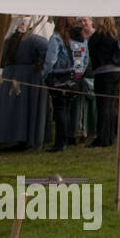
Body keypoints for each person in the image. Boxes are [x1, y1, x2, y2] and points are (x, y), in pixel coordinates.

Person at [0, 18, 50, 151]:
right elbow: (49, 52)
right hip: (29, 78)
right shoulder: (35, 40)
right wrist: (39, 66)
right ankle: (24, 139)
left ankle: (8, 138)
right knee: (24, 109)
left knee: (11, 109)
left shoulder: (9, 41)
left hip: (10, 77)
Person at [43, 17, 77, 152]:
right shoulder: (72, 40)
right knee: (67, 109)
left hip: (58, 77)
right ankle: (67, 139)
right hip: (71, 76)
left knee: (60, 110)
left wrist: (45, 74)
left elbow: (51, 59)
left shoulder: (55, 39)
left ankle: (60, 142)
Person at [89, 17, 120, 147]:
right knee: (110, 106)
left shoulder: (98, 36)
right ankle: (109, 137)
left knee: (103, 106)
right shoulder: (114, 36)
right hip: (115, 72)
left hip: (103, 73)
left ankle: (102, 138)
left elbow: (91, 48)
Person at [69, 16, 95, 145]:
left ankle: (93, 132)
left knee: (93, 106)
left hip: (95, 74)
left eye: (85, 20)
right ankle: (79, 134)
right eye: (81, 21)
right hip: (81, 76)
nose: (83, 23)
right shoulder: (75, 40)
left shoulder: (96, 36)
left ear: (91, 20)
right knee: (79, 106)